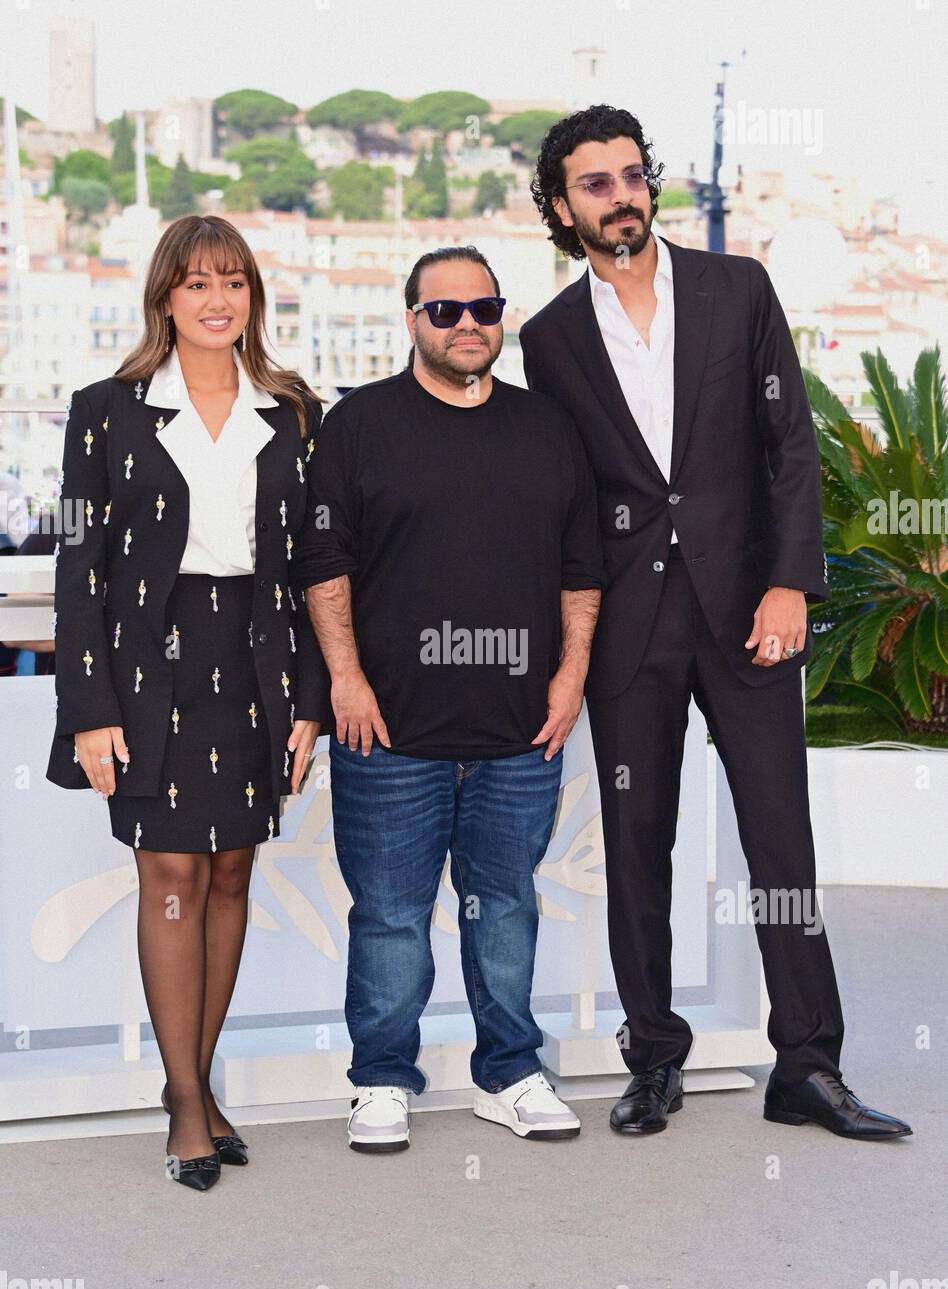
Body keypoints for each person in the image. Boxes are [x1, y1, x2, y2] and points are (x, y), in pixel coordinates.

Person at [520, 105, 911, 1141]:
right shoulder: (548, 339)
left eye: (631, 175)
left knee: (781, 841)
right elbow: (560, 497)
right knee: (637, 845)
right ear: (563, 208)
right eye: (594, 184)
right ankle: (653, 1057)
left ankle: (810, 1065)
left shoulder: (737, 289)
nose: (621, 195)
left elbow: (789, 446)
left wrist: (791, 583)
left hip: (748, 615)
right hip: (629, 633)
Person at [292, 246, 605, 1152]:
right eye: (445, 311)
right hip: (389, 730)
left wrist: (572, 672)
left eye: (484, 308)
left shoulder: (548, 429)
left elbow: (582, 567)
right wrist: (346, 679)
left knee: (505, 905)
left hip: (519, 732)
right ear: (412, 321)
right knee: (389, 916)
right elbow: (323, 564)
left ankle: (510, 1072)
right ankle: (382, 1079)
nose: (467, 324)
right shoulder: (359, 427)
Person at [45, 215, 331, 1189]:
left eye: (235, 282)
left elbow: (313, 569)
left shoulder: (294, 409)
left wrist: (313, 699)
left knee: (232, 874)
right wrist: (88, 708)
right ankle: (184, 1103)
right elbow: (76, 569)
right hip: (141, 668)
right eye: (198, 282)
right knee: (168, 867)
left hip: (254, 660)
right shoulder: (103, 410)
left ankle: (199, 1087)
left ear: (253, 297)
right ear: (165, 295)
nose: (218, 300)